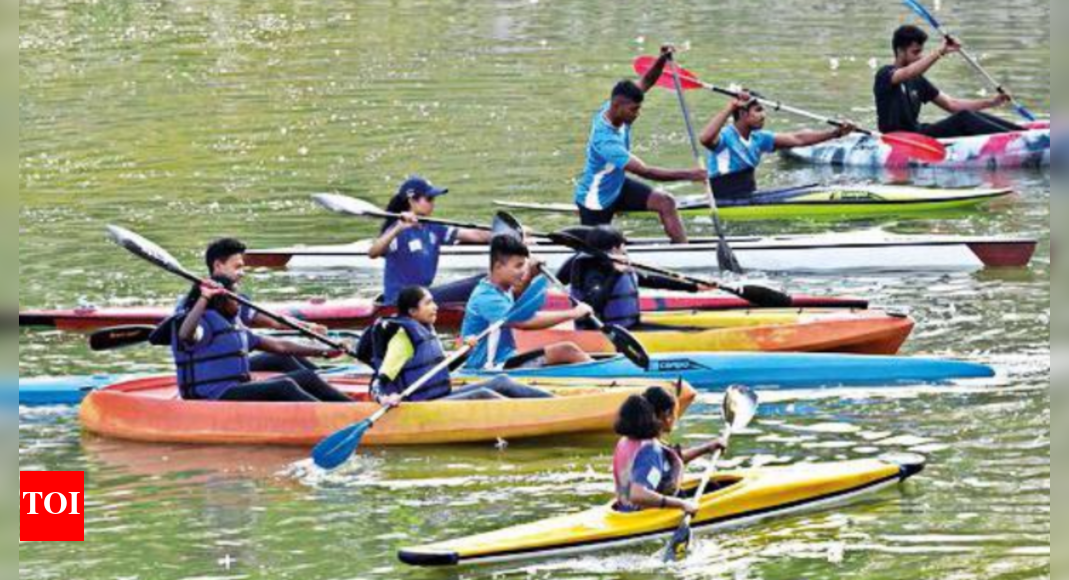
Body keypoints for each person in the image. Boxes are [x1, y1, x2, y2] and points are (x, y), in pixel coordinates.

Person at [574, 45, 707, 244]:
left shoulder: (616, 106)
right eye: (633, 110)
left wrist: (662, 59)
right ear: (617, 106)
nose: (637, 114)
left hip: (617, 185)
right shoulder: (605, 140)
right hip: (596, 199)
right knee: (601, 252)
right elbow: (646, 172)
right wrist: (691, 175)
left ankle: (683, 250)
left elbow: (647, 80)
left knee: (666, 202)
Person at [171, 277, 352, 403]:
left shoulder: (232, 325)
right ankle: (330, 419)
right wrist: (204, 297)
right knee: (284, 386)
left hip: (236, 388)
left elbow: (280, 346)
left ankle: (352, 409)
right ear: (220, 302)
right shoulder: (202, 324)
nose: (240, 303)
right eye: (235, 298)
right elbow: (185, 334)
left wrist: (324, 351)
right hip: (212, 394)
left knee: (306, 376)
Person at [367, 286, 554, 404]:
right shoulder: (403, 339)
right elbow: (378, 381)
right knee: (482, 394)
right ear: (413, 311)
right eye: (428, 303)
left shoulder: (425, 329)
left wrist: (464, 353)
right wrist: (384, 398)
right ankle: (536, 414)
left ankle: (553, 403)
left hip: (440, 396)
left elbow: (441, 369)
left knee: (501, 381)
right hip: (422, 405)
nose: (436, 307)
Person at [461, 235, 595, 371]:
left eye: (524, 265)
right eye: (518, 266)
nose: (523, 271)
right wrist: (573, 313)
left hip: (506, 359)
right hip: (488, 368)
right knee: (567, 350)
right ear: (498, 266)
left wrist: (531, 275)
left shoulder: (500, 287)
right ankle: (607, 378)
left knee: (566, 351)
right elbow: (525, 321)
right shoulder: (487, 297)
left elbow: (519, 305)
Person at [699, 92, 857, 200]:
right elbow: (705, 139)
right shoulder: (726, 136)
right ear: (742, 114)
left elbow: (798, 139)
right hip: (723, 197)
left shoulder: (759, 138)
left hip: (747, 194)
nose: (763, 115)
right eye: (758, 110)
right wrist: (731, 106)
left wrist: (836, 133)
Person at [875, 25, 1023, 139]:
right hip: (899, 139)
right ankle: (1016, 140)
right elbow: (908, 72)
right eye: (915, 52)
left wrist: (991, 102)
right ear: (900, 51)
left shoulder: (917, 80)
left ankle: (1021, 134)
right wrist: (941, 51)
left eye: (921, 51)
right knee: (964, 118)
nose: (920, 56)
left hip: (917, 133)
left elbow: (952, 104)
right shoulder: (885, 75)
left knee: (967, 114)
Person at [368, 176, 494, 306]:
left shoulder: (434, 227)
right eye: (429, 199)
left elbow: (475, 235)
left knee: (488, 277)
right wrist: (398, 228)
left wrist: (503, 235)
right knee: (484, 282)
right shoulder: (397, 229)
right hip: (401, 301)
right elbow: (373, 253)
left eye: (433, 199)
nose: (433, 203)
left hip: (422, 295)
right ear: (412, 201)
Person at [568, 226, 716, 330]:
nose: (625, 249)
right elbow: (594, 305)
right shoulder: (592, 271)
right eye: (623, 245)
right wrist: (616, 274)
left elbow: (650, 280)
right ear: (615, 248)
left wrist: (694, 286)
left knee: (691, 329)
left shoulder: (616, 264)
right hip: (605, 334)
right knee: (690, 333)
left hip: (628, 327)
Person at [613, 387, 725, 514]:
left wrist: (706, 448)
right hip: (645, 515)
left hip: (625, 509)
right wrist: (682, 504)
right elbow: (638, 494)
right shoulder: (650, 450)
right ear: (666, 415)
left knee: (713, 485)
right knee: (716, 489)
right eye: (674, 412)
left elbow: (666, 462)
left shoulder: (628, 440)